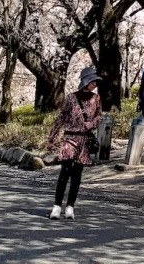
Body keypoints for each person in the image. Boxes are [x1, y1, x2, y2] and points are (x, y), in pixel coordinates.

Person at [48, 66, 103, 220]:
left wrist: (91, 124)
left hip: (85, 139)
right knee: (64, 171)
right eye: (93, 81)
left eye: (96, 81)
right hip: (70, 138)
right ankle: (57, 206)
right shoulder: (71, 98)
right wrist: (52, 136)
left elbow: (99, 116)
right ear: (86, 81)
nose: (95, 84)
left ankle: (70, 206)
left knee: (77, 174)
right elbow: (61, 117)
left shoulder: (96, 98)